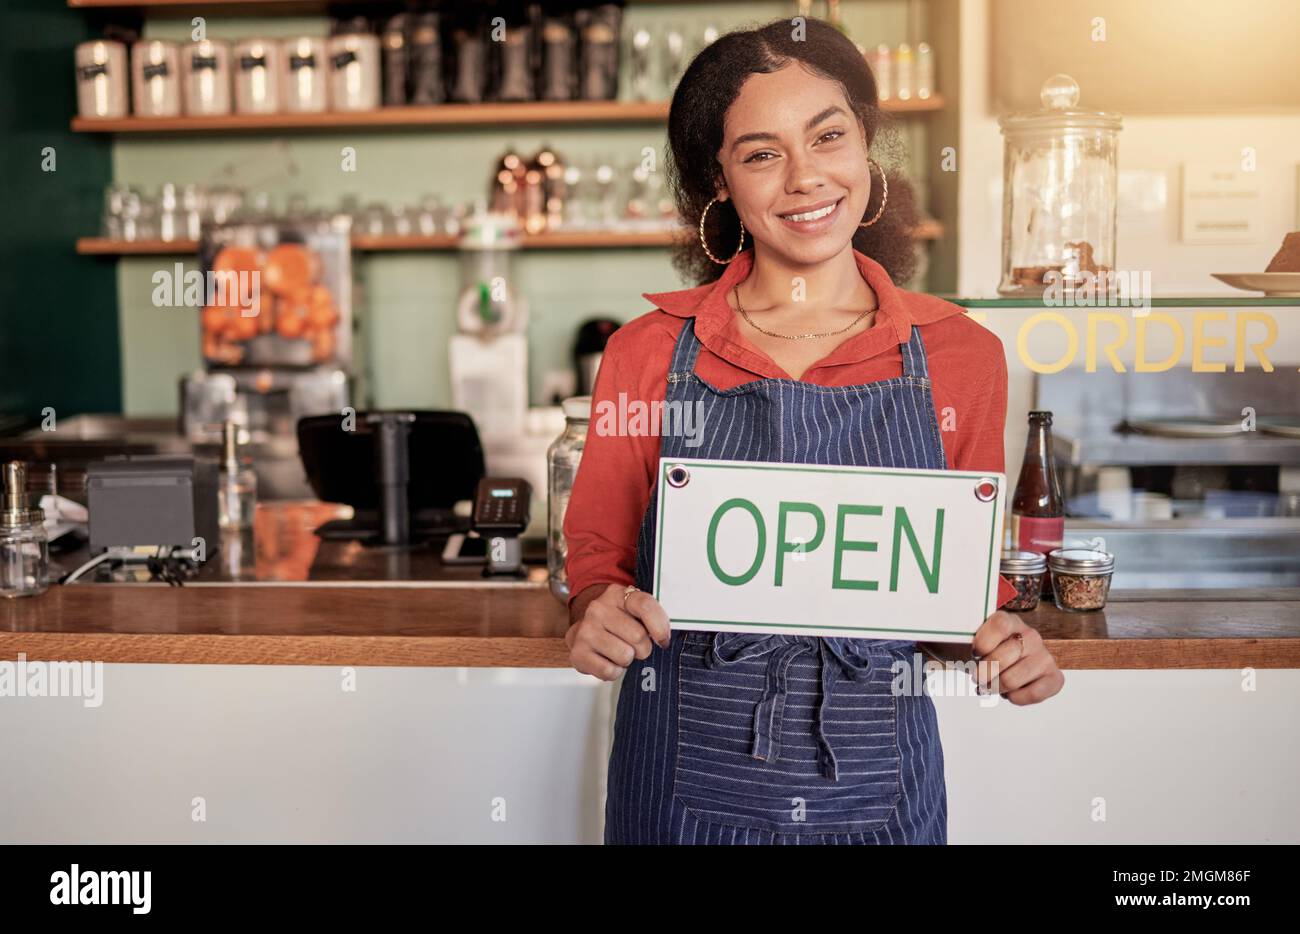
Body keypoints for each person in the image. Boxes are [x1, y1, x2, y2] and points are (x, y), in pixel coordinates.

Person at [563, 18, 1064, 845]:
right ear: (718, 183)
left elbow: (950, 596)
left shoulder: (960, 356)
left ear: (866, 144)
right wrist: (595, 613)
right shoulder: (646, 353)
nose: (805, 178)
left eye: (827, 136)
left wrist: (1001, 640)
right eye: (761, 153)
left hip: (881, 792)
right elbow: (598, 564)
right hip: (679, 790)